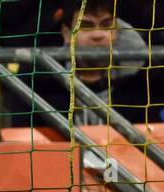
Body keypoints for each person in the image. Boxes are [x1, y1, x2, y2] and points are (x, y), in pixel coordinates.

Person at [12, 0, 150, 128]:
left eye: (106, 25)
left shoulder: (142, 79)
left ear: (116, 31)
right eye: (85, 26)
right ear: (67, 34)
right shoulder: (37, 78)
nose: (97, 34)